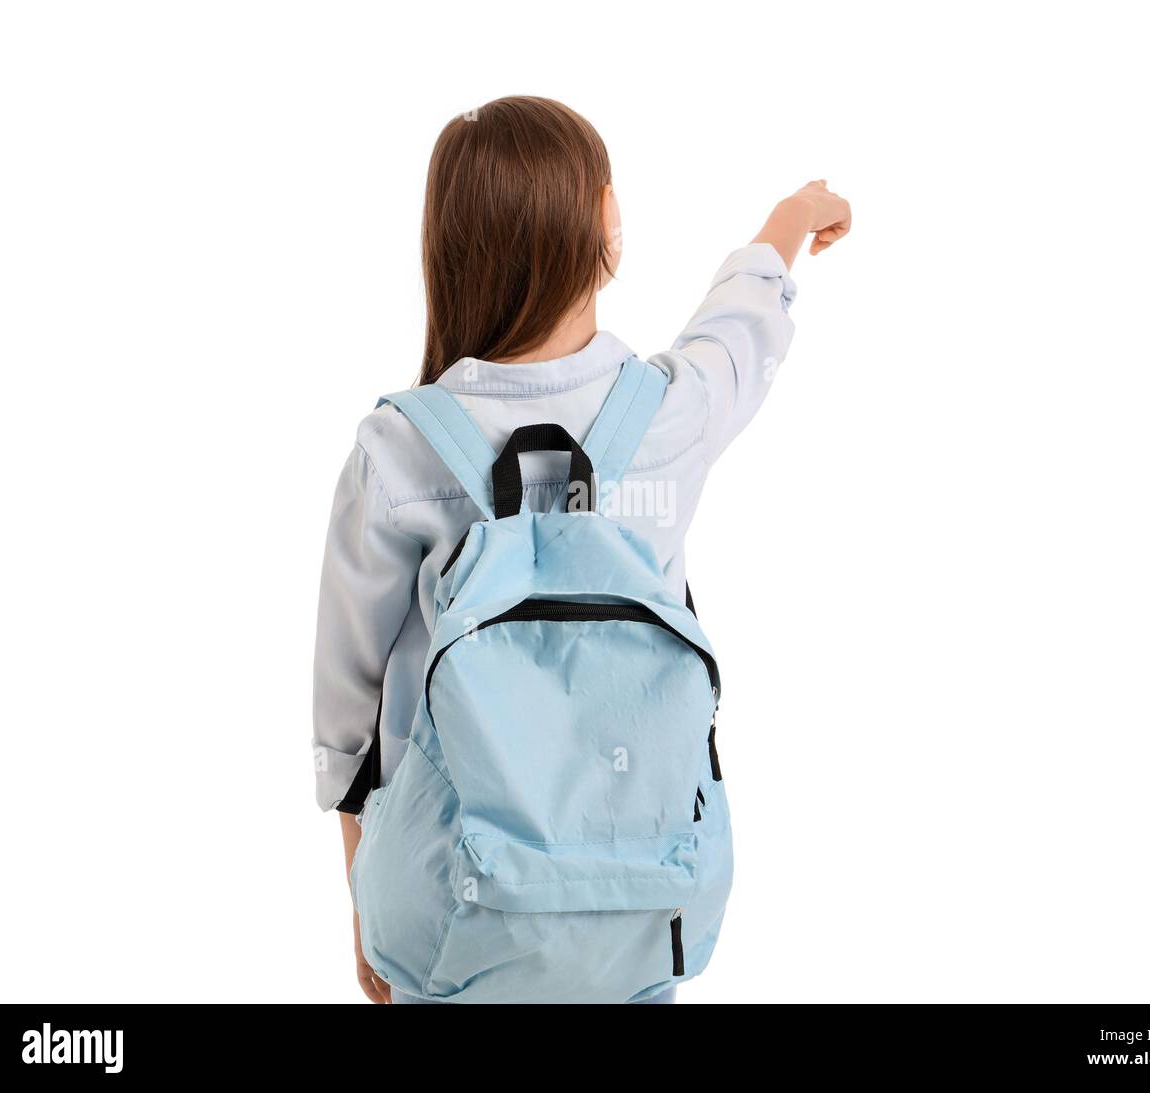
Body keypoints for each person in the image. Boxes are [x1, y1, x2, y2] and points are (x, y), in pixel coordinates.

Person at [313, 95, 851, 1003]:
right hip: (642, 903)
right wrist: (795, 215)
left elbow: (349, 709)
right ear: (608, 226)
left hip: (451, 904)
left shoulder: (398, 447)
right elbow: (739, 326)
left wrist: (368, 895)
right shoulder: (672, 414)